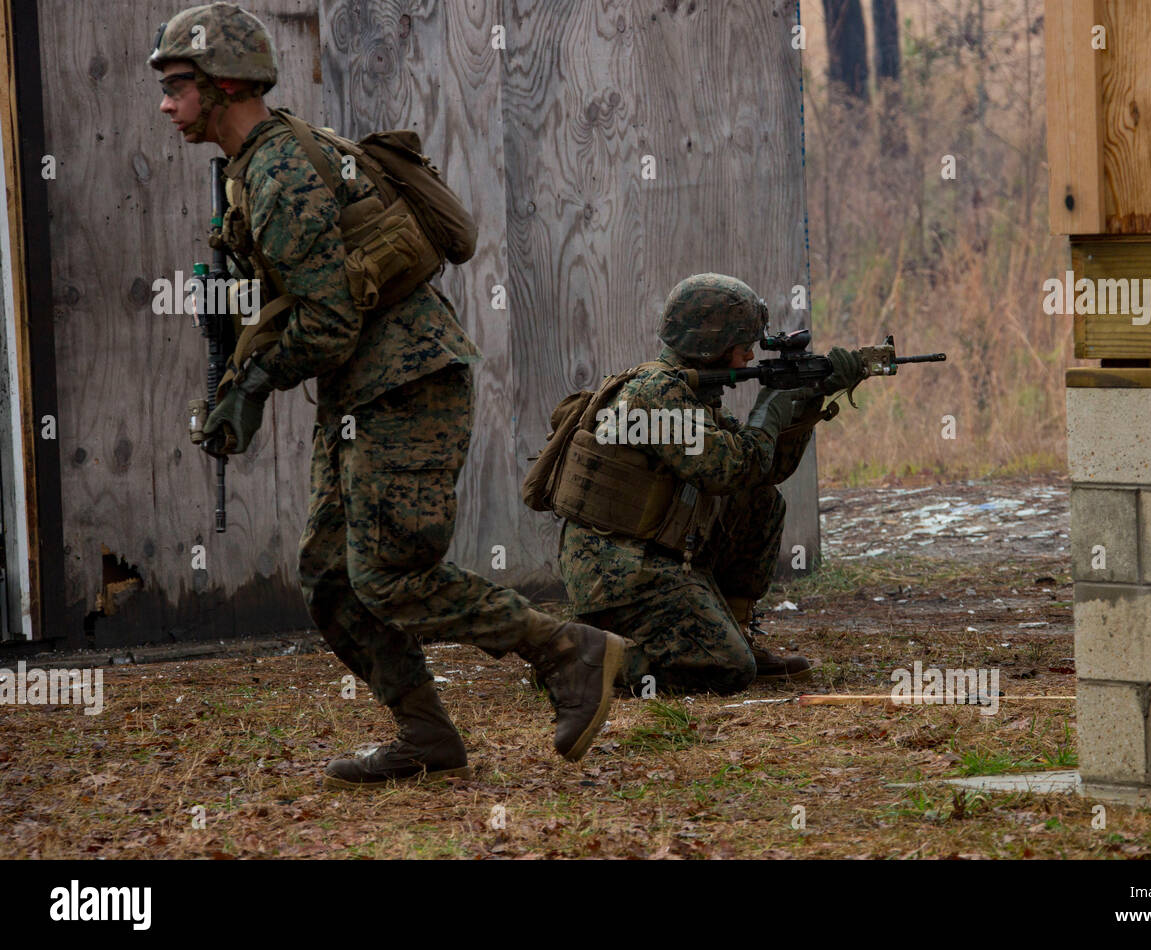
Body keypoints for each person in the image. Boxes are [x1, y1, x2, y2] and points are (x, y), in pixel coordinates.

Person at [151, 2, 625, 789]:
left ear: (223, 84)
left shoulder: (277, 173)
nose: (166, 104)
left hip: (406, 383)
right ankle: (427, 734)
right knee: (333, 581)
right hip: (362, 394)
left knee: (392, 575)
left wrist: (256, 385)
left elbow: (329, 323)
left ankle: (568, 651)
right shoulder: (252, 166)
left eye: (176, 86)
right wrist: (243, 370)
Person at [552, 273, 863, 695]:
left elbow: (762, 472)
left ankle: (735, 629)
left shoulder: (690, 394)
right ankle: (574, 660)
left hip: (654, 557)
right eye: (742, 346)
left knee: (761, 501)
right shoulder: (654, 395)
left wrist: (808, 398)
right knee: (728, 670)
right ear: (711, 345)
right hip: (619, 572)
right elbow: (731, 469)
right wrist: (769, 411)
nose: (748, 356)